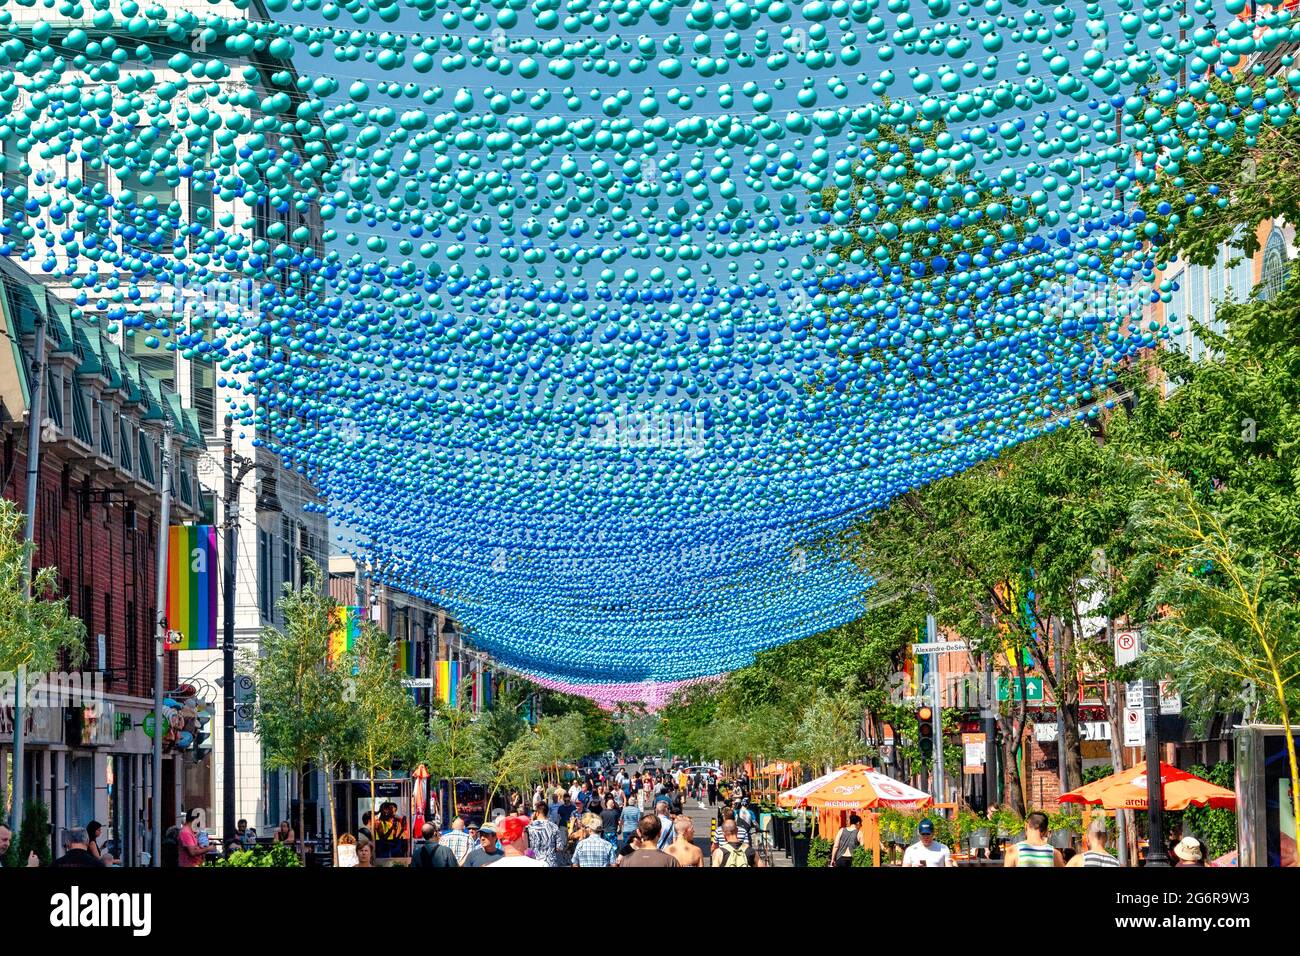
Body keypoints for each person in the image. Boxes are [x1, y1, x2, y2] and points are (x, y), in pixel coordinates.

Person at [526, 802, 565, 867]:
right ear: (547, 813)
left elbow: (526, 849)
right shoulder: (554, 827)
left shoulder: (529, 828)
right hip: (551, 863)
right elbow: (559, 847)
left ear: (537, 813)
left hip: (534, 863)